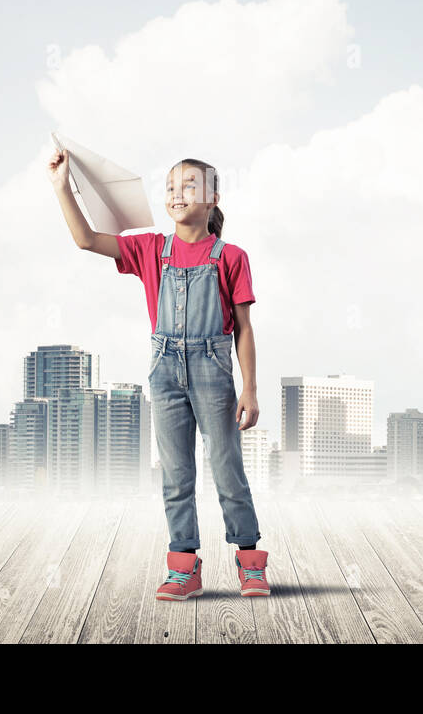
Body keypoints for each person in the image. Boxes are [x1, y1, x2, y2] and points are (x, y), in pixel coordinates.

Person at [48, 148, 270, 599]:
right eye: (170, 186)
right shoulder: (149, 249)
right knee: (176, 474)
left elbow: (244, 329)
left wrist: (250, 388)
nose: (177, 193)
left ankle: (250, 562)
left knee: (227, 469)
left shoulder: (232, 257)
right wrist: (61, 187)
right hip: (165, 374)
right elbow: (87, 239)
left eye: (189, 185)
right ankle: (184, 567)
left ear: (213, 199)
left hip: (213, 371)